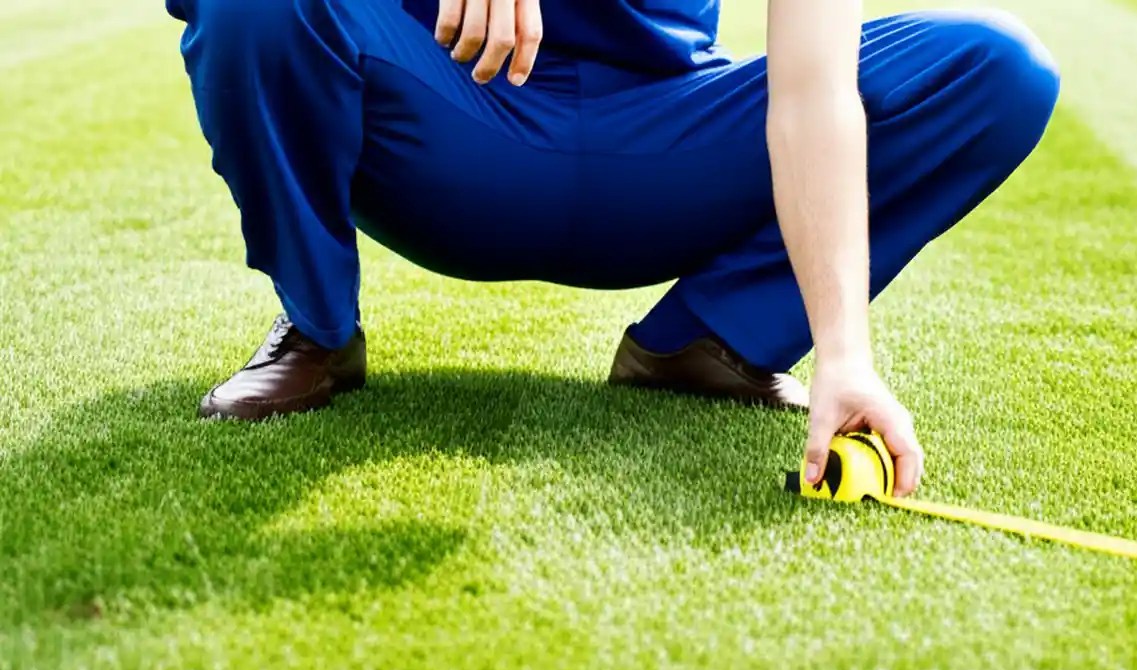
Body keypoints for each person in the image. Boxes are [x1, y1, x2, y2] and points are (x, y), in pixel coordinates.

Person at [165, 0, 1059, 496]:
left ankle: (715, 341)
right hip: (449, 122)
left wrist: (844, 351)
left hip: (663, 151)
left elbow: (813, 95)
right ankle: (320, 328)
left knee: (996, 68)